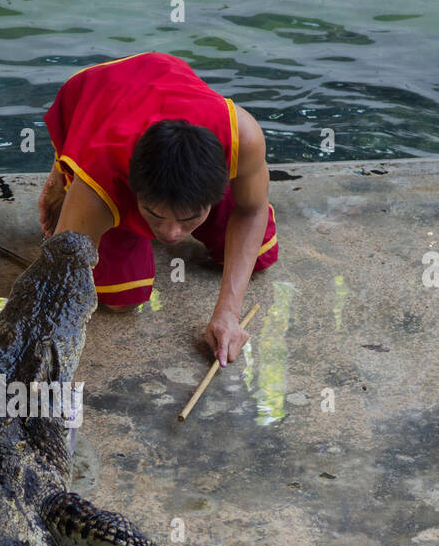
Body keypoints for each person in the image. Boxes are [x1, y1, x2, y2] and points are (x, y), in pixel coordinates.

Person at [38, 52, 277, 367]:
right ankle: (63, 170)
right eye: (155, 217)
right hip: (99, 90)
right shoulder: (99, 182)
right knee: (122, 297)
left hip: (163, 73)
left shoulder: (243, 137)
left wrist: (229, 315)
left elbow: (250, 210)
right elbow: (59, 283)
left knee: (261, 255)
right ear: (133, 192)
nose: (171, 234)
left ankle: (176, 212)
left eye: (188, 219)